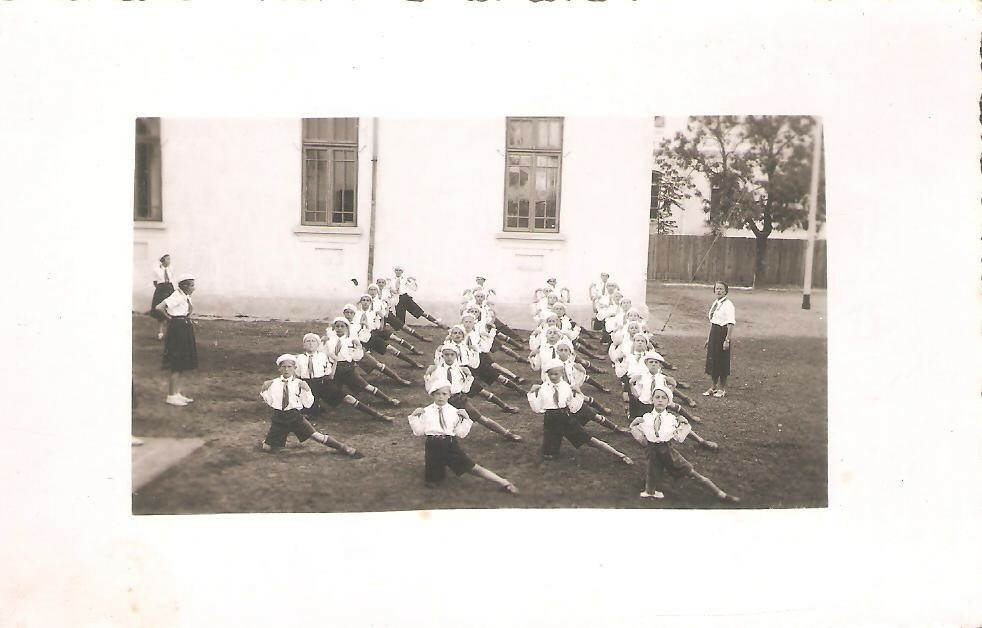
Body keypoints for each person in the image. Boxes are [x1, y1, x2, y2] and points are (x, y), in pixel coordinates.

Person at [407, 376, 518, 494]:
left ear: (449, 395)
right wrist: (414, 417)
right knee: (432, 481)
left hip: (449, 444)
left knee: (472, 468)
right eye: (437, 394)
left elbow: (461, 433)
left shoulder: (454, 412)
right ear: (432, 395)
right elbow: (419, 432)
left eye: (444, 394)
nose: (440, 397)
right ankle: (440, 468)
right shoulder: (425, 412)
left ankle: (503, 482)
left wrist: (466, 419)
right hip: (432, 445)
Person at [630, 385, 738, 502]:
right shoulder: (647, 418)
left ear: (668, 401)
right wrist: (634, 428)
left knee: (694, 474)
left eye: (663, 398)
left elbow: (679, 437)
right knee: (650, 482)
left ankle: (721, 494)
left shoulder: (672, 419)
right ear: (652, 400)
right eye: (657, 397)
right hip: (652, 454)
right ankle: (651, 490)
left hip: (668, 453)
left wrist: (683, 422)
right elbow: (639, 431)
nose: (660, 400)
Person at [527, 359, 634, 465]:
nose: (553, 377)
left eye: (556, 374)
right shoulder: (543, 388)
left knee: (589, 440)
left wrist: (578, 394)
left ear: (562, 373)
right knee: (549, 455)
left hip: (565, 418)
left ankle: (619, 455)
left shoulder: (567, 388)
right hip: (550, 421)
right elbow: (537, 409)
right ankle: (553, 446)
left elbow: (574, 408)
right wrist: (532, 394)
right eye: (550, 374)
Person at [257, 354, 364, 458]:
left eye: (289, 367)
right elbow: (270, 401)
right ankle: (270, 442)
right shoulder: (273, 383)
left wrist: (307, 390)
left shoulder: (299, 383)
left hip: (294, 417)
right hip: (279, 418)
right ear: (279, 369)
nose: (286, 370)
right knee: (267, 448)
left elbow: (308, 404)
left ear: (294, 368)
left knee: (317, 436)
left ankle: (344, 448)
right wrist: (264, 389)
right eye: (283, 367)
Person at [425, 344, 522, 441]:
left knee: (482, 419)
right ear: (442, 356)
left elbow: (466, 389)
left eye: (452, 354)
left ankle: (507, 434)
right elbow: (429, 388)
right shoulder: (436, 370)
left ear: (456, 356)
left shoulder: (460, 370)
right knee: (440, 424)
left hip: (458, 399)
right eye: (446, 355)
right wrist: (428, 376)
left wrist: (468, 376)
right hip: (443, 401)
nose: (449, 357)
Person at [294, 333, 395, 423]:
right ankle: (316, 408)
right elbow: (296, 376)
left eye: (313, 341)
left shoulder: (323, 356)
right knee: (308, 411)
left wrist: (335, 362)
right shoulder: (299, 359)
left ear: (317, 345)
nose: (311, 343)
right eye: (308, 341)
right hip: (308, 385)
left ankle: (377, 414)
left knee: (348, 398)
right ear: (304, 345)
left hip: (323, 383)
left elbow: (330, 375)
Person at [322, 317, 402, 407]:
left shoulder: (350, 340)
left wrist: (358, 347)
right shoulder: (328, 340)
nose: (339, 328)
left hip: (346, 368)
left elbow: (357, 357)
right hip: (333, 369)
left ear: (346, 328)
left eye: (342, 326)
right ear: (334, 328)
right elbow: (322, 354)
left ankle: (388, 399)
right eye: (337, 326)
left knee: (366, 386)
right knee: (331, 391)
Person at [155, 273, 198, 406]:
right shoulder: (177, 296)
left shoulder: (184, 296)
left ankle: (176, 393)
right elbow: (159, 307)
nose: (194, 288)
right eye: (191, 285)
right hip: (178, 329)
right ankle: (171, 395)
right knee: (176, 363)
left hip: (183, 328)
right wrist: (170, 319)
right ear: (184, 286)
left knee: (181, 363)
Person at [703, 281, 736, 398]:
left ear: (726, 291)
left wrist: (727, 340)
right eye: (717, 289)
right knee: (712, 361)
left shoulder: (728, 305)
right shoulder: (715, 303)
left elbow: (731, 323)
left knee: (722, 361)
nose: (718, 291)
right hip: (714, 333)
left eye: (721, 289)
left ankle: (722, 389)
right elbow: (713, 322)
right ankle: (713, 386)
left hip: (723, 333)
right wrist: (709, 338)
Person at [389, 265, 447, 329]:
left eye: (400, 270)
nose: (398, 272)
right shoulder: (391, 280)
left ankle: (438, 323)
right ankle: (402, 335)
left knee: (421, 313)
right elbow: (390, 290)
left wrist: (413, 281)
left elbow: (414, 288)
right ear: (394, 271)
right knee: (400, 322)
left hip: (406, 298)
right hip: (397, 301)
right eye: (396, 270)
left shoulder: (405, 279)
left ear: (402, 272)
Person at [149, 253, 175, 340]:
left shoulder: (171, 269)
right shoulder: (156, 270)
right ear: (162, 260)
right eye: (167, 259)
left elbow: (172, 279)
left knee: (170, 309)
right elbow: (155, 282)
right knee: (160, 310)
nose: (169, 261)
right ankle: (160, 332)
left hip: (170, 288)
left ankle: (171, 332)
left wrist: (170, 289)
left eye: (170, 259)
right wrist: (160, 290)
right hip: (161, 289)